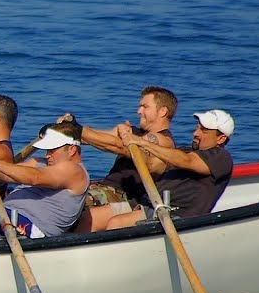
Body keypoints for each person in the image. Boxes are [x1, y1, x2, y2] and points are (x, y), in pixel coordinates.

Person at [70, 86, 178, 231]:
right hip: (104, 189)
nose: (139, 111)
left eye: (145, 106)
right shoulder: (132, 131)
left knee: (72, 201)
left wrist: (78, 130)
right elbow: (100, 137)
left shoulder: (164, 141)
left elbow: (121, 147)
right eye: (139, 106)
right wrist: (68, 130)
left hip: (123, 196)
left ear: (163, 111)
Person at [104, 110, 234, 230]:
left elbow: (186, 161)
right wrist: (128, 138)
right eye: (197, 128)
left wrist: (142, 142)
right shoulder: (184, 151)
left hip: (172, 214)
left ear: (220, 138)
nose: (196, 133)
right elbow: (153, 163)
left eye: (204, 131)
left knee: (116, 223)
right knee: (92, 216)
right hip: (146, 202)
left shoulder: (221, 158)